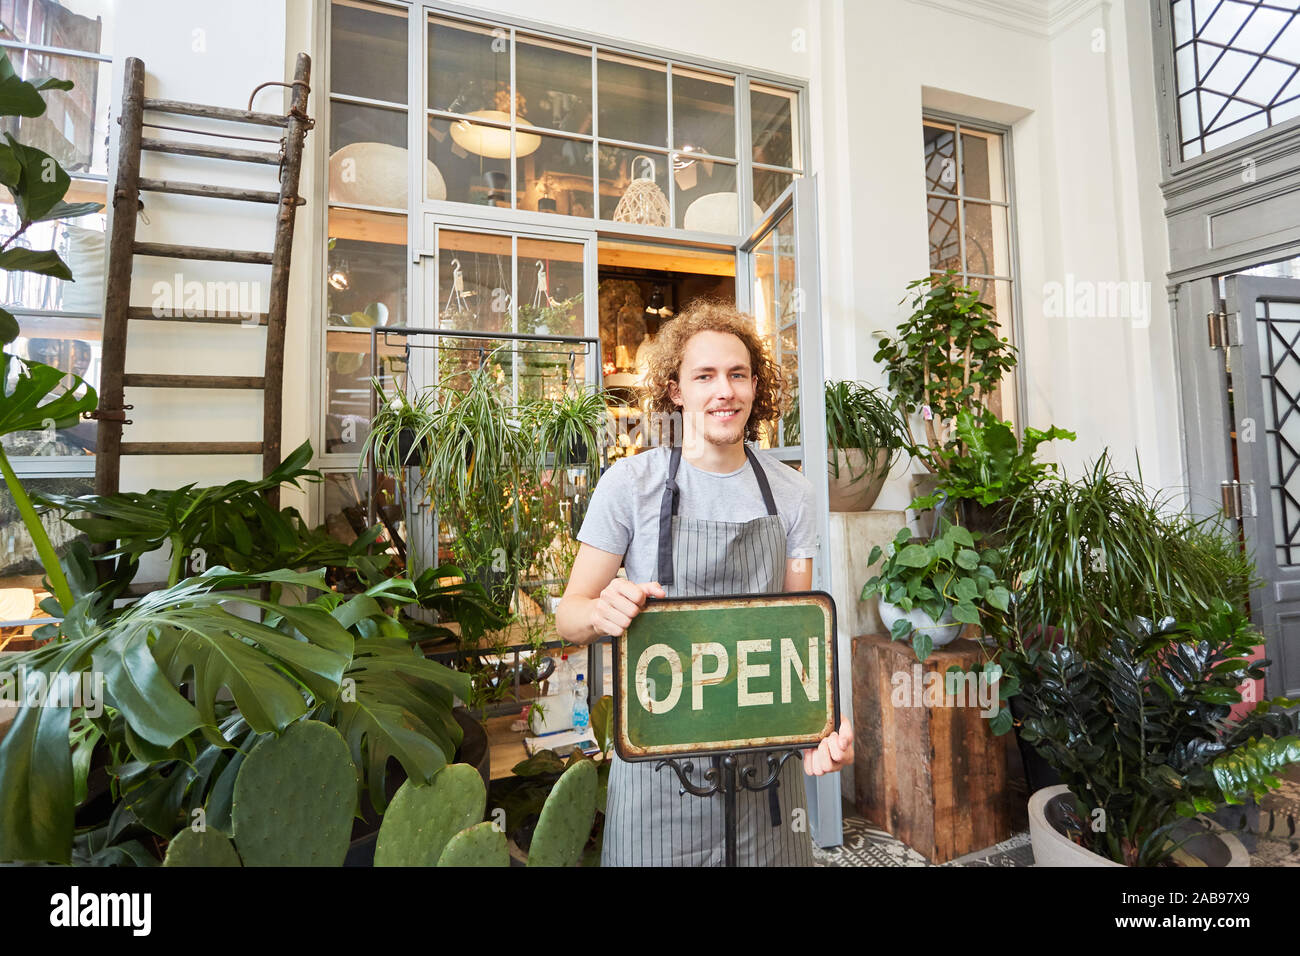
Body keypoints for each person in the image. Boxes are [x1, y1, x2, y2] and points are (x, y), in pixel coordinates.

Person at [555, 298, 854, 867]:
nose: (725, 391)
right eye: (705, 376)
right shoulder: (631, 484)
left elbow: (800, 631)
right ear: (676, 390)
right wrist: (601, 612)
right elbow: (569, 614)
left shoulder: (793, 495)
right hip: (658, 774)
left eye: (738, 374)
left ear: (755, 385)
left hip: (765, 768)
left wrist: (828, 721)